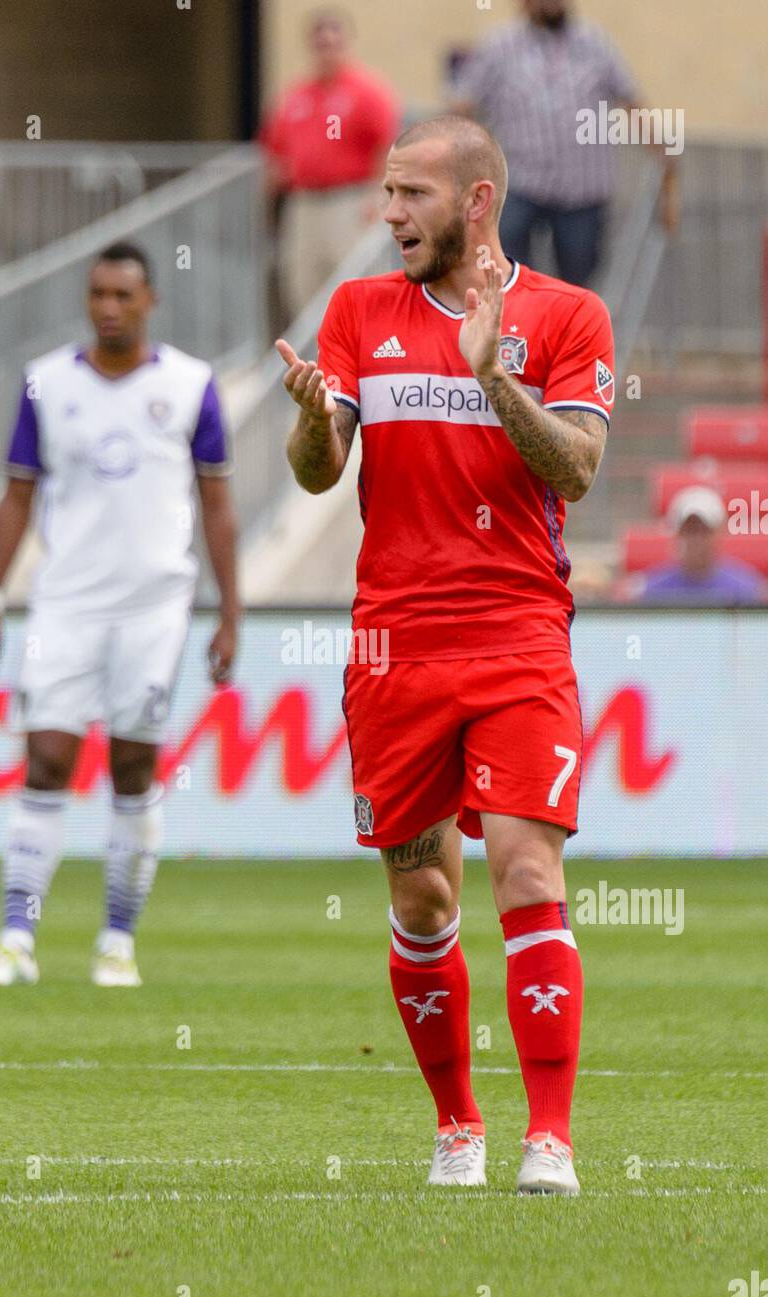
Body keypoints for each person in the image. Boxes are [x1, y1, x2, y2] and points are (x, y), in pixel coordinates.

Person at [277, 113, 615, 1195]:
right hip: (392, 645)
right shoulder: (355, 311)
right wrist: (305, 421)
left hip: (517, 634)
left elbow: (573, 472)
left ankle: (548, 1138)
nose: (387, 215)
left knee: (524, 867)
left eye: (408, 196)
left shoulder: (566, 316)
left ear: (475, 201)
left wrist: (493, 381)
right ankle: (457, 1127)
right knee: (423, 899)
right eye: (383, 193)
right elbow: (318, 474)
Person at [0, 242, 240, 987]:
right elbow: (17, 494)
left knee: (131, 766)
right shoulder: (46, 384)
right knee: (48, 756)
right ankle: (16, 937)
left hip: (155, 607)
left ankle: (117, 939)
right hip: (65, 603)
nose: (109, 307)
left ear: (150, 299)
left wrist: (230, 612)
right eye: (98, 294)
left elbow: (216, 502)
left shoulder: (190, 386)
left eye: (124, 294)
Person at [450, 0, 678, 286]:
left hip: (582, 192)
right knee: (507, 277)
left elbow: (633, 103)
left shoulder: (595, 44)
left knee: (578, 286)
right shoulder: (499, 47)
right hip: (518, 186)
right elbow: (462, 107)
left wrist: (665, 157)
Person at [258, 7, 399, 323]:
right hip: (304, 204)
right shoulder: (295, 96)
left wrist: (378, 198)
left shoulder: (366, 92)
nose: (327, 49)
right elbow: (275, 153)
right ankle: (316, 364)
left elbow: (386, 148)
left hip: (349, 201)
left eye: (334, 41)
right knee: (302, 288)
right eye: (320, 42)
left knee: (355, 285)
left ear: (347, 43)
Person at [637, 486, 765, 604]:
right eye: (690, 530)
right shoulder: (651, 591)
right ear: (677, 534)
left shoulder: (747, 590)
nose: (697, 539)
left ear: (718, 533)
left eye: (704, 531)